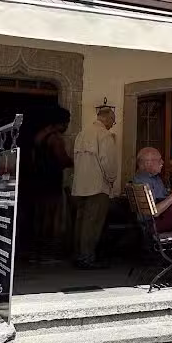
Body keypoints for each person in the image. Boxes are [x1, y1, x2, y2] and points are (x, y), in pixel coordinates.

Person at [71, 104, 118, 269]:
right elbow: (109, 162)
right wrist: (112, 179)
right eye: (113, 120)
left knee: (81, 221)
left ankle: (79, 255)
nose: (113, 124)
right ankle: (87, 258)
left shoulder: (81, 134)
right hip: (98, 186)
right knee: (93, 223)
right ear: (107, 118)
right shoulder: (104, 135)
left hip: (80, 186)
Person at [32, 106, 74, 262]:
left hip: (38, 182)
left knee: (39, 218)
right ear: (60, 122)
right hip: (51, 182)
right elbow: (62, 159)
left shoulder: (40, 135)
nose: (67, 126)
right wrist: (75, 161)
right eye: (66, 122)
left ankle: (36, 253)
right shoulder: (55, 138)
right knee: (53, 219)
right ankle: (48, 254)